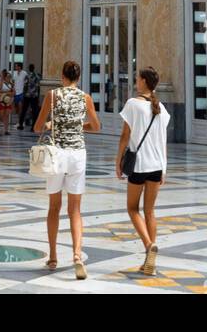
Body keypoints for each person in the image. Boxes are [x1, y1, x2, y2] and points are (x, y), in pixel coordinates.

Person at [34, 60, 100, 279]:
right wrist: (77, 125)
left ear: (62, 75)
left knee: (54, 207)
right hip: (77, 155)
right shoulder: (85, 97)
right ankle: (77, 254)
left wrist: (52, 125)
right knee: (75, 209)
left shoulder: (52, 95)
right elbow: (96, 126)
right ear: (78, 78)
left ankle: (53, 256)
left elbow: (37, 127)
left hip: (57, 156)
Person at [116, 67, 170, 275]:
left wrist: (117, 160)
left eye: (138, 78)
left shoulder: (133, 104)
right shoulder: (161, 109)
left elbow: (125, 135)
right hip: (157, 166)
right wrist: (164, 168)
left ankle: (149, 246)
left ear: (145, 82)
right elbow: (162, 141)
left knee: (132, 208)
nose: (136, 81)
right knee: (150, 212)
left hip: (139, 165)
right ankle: (150, 263)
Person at [0, 68, 15, 134]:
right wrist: (6, 92)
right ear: (5, 77)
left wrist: (9, 93)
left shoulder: (11, 83)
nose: (9, 78)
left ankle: (6, 130)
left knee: (7, 115)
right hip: (1, 100)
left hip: (8, 100)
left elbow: (14, 92)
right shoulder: (1, 82)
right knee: (1, 115)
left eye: (10, 77)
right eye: (8, 77)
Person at [21, 64, 41, 130]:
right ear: (34, 68)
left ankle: (20, 124)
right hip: (34, 96)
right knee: (34, 111)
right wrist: (38, 96)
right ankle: (33, 126)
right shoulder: (37, 77)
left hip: (27, 95)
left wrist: (24, 94)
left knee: (24, 110)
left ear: (29, 68)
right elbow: (38, 87)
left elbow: (25, 86)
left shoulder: (27, 76)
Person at [12, 62, 26, 127]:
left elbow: (26, 83)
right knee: (17, 109)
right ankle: (19, 121)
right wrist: (13, 90)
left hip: (21, 93)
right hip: (15, 93)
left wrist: (24, 91)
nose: (15, 67)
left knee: (21, 108)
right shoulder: (15, 74)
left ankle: (22, 122)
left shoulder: (24, 73)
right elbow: (13, 82)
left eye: (16, 66)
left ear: (19, 67)